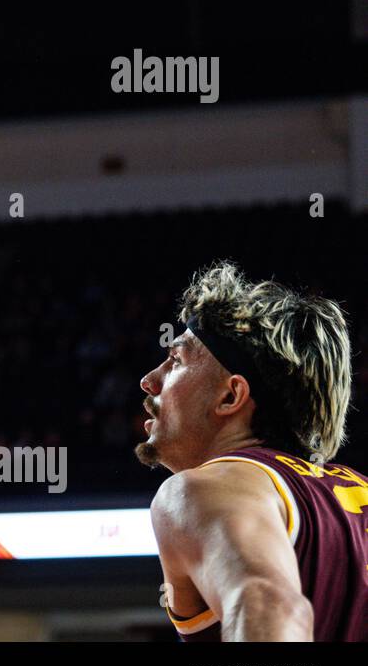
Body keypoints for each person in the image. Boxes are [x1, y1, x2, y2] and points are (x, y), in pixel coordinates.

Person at [140, 261, 365, 641]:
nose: (149, 381)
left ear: (231, 396)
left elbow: (272, 605)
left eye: (175, 361)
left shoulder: (201, 488)